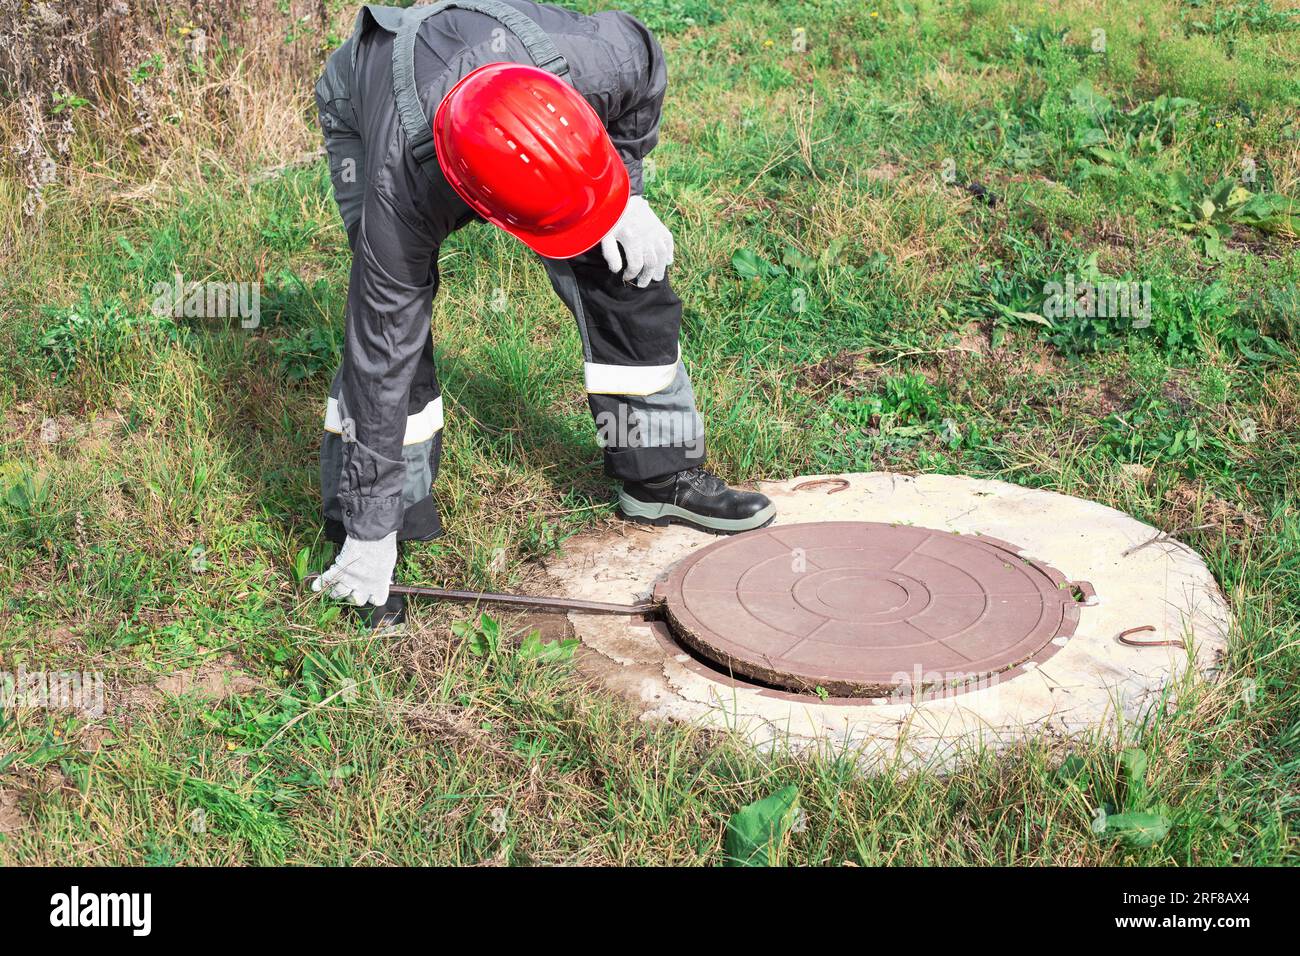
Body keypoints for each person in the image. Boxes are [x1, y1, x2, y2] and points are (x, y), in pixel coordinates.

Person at [310, 1, 775, 621]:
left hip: (515, 80)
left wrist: (625, 191)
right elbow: (381, 348)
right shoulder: (403, 190)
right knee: (397, 329)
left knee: (623, 267)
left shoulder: (605, 58)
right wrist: (371, 530)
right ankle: (371, 528)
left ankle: (659, 475)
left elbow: (646, 69)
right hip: (376, 109)